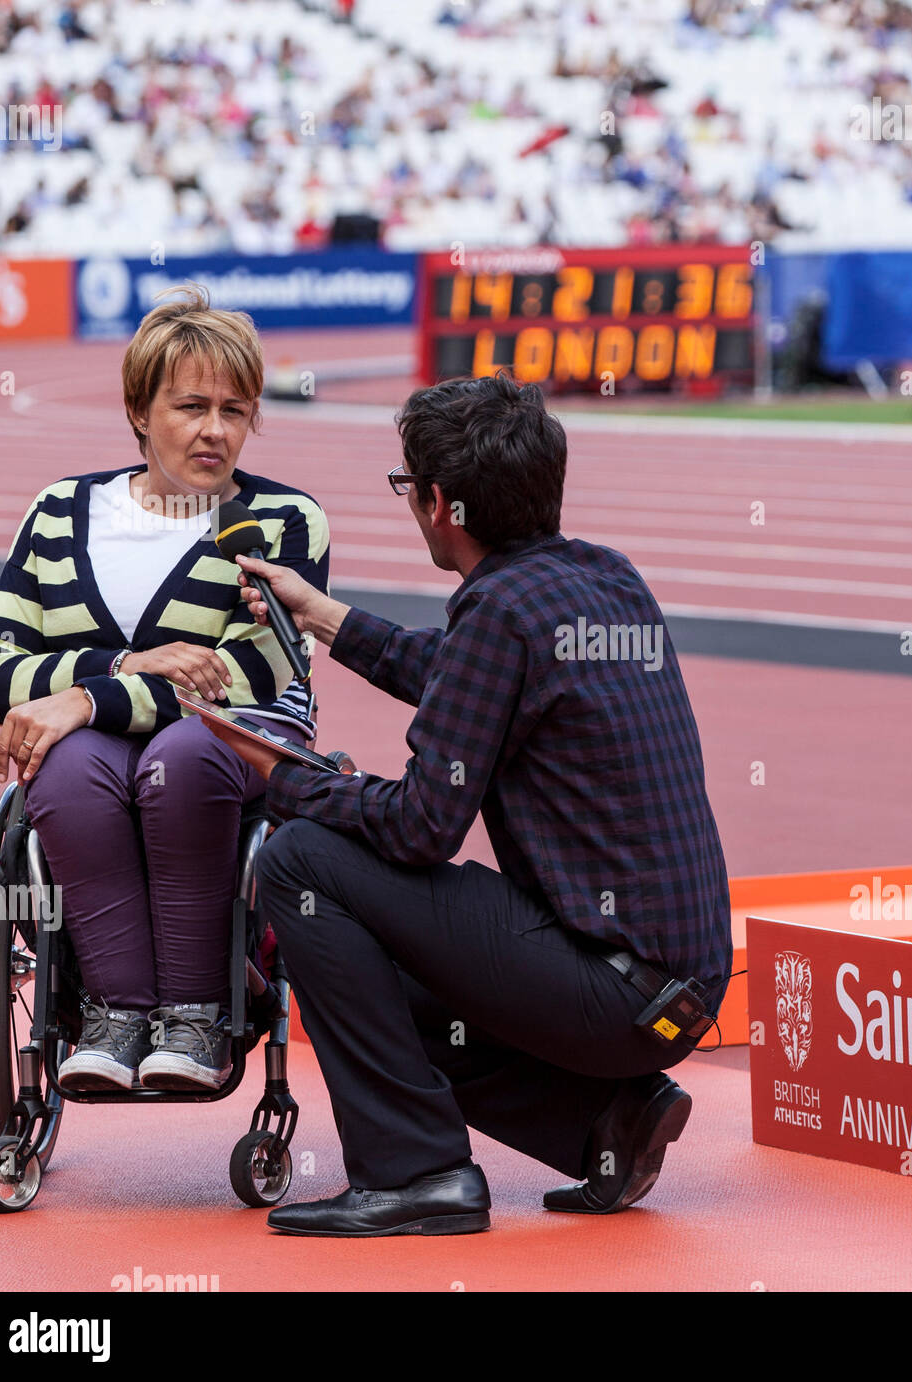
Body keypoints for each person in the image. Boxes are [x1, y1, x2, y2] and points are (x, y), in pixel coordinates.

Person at [209, 371, 731, 1237]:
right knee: (378, 968)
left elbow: (421, 828)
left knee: (300, 859)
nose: (410, 503)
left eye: (409, 488)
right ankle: (605, 1125)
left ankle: (416, 1175)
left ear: (442, 503)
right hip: (675, 989)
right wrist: (323, 617)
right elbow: (466, 679)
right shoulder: (603, 579)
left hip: (610, 991)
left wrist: (288, 776)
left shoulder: (497, 611)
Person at [0, 284, 330, 1094]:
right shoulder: (60, 511)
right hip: (95, 751)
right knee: (69, 768)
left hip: (234, 744)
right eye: (191, 405)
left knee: (184, 755)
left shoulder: (282, 520)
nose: (215, 429)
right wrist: (122, 671)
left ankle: (199, 1015)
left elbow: (256, 675)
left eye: (236, 410)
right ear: (139, 409)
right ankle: (114, 1017)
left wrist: (82, 698)